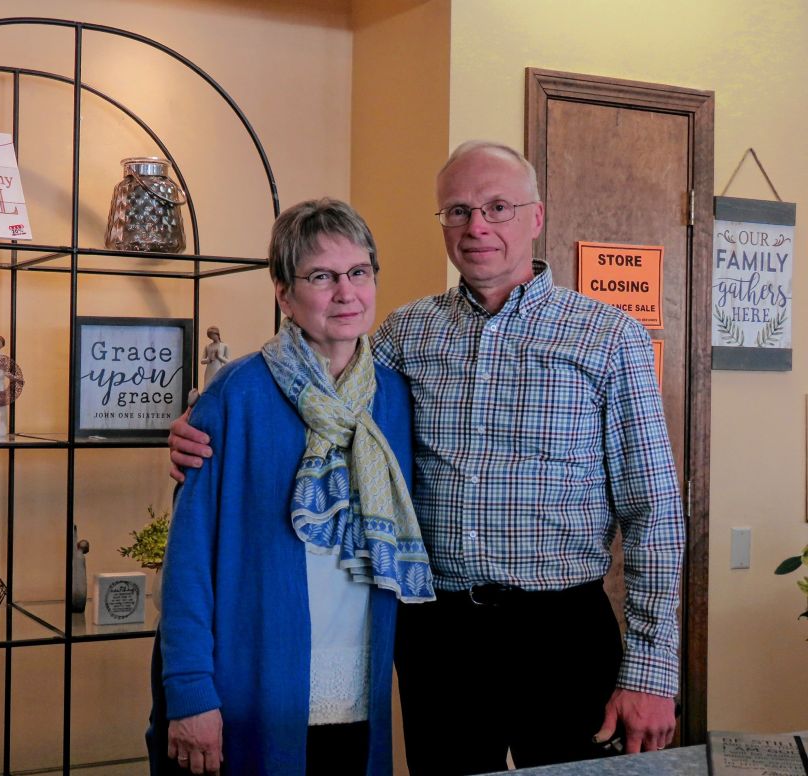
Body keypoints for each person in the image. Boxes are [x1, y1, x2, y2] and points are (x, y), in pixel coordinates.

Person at [168, 141, 685, 774]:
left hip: (564, 634)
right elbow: (317, 377)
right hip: (439, 636)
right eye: (458, 211)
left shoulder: (610, 338)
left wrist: (653, 671)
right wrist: (200, 420)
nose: (478, 227)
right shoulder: (405, 337)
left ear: (537, 216)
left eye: (498, 207)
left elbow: (655, 514)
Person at [148, 198, 434, 776]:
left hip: (359, 684)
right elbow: (188, 563)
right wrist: (190, 694)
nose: (345, 292)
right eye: (322, 277)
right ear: (284, 294)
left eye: (359, 273)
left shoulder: (395, 398)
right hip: (248, 683)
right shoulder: (237, 393)